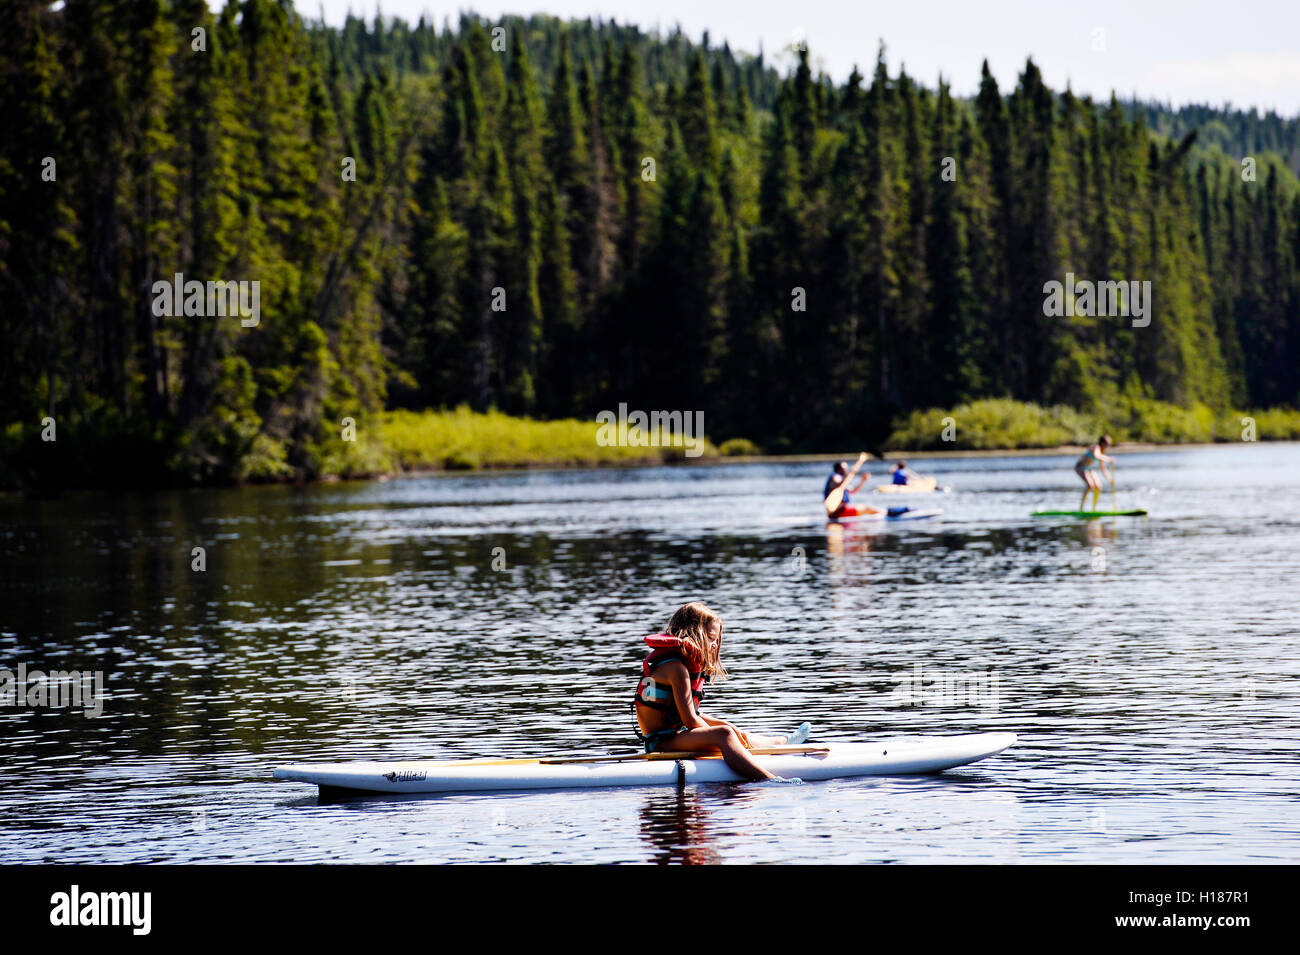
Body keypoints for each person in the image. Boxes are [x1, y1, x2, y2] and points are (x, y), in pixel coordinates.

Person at [633, 601, 810, 782]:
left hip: (674, 735)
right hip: (661, 743)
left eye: (717, 639)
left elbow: (689, 714)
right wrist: (723, 734)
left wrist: (728, 727)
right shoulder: (676, 669)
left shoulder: (675, 664)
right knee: (724, 735)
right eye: (711, 638)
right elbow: (689, 720)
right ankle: (770, 779)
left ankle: (783, 742)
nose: (715, 645)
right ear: (693, 634)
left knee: (732, 730)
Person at [1075, 434, 1115, 511]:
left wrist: (1109, 479)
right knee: (1091, 486)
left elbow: (1102, 468)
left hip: (1088, 468)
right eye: (1108, 444)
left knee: (1099, 486)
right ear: (1103, 443)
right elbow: (1096, 456)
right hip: (1080, 467)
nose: (1108, 447)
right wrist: (1108, 459)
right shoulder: (1096, 447)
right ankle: (1081, 508)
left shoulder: (1101, 453)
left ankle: (1094, 508)